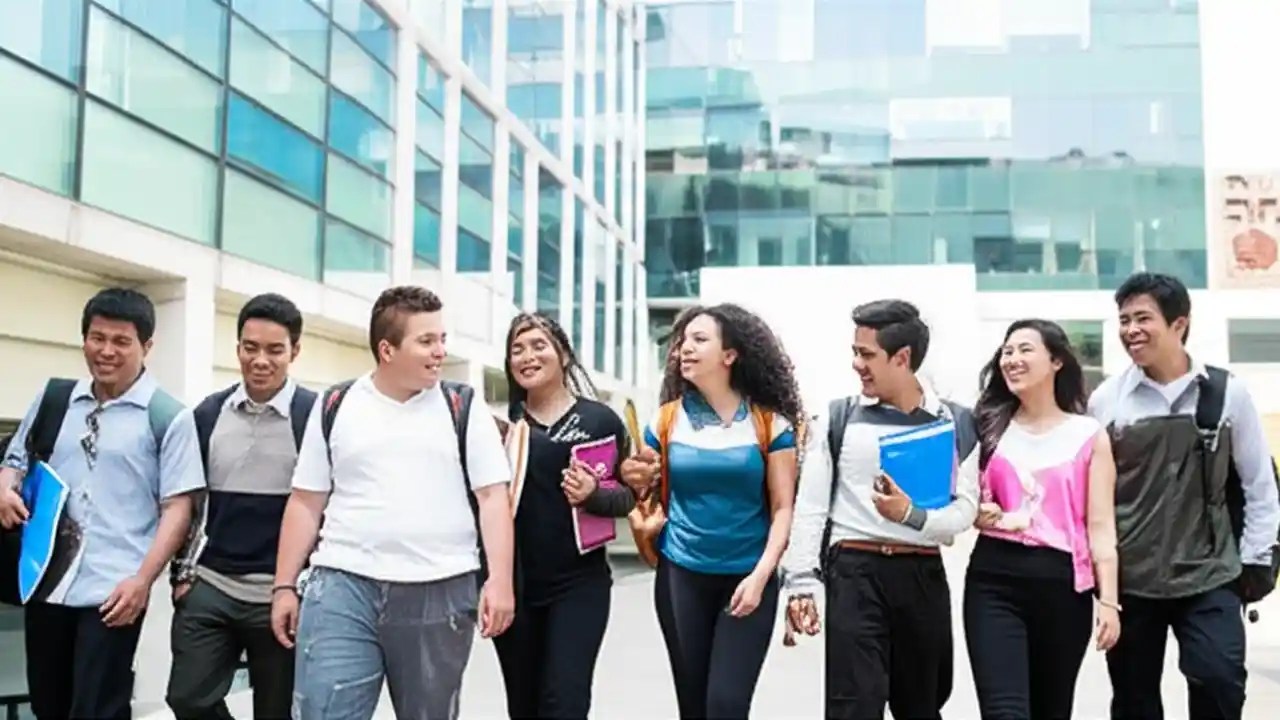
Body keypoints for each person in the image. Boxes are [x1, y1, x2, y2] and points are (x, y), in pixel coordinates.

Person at [272, 285, 516, 720]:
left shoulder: (462, 405)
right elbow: (306, 501)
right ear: (387, 349)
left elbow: (492, 497)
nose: (440, 351)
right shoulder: (336, 403)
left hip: (440, 588)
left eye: (441, 338)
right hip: (342, 587)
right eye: (427, 341)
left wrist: (499, 580)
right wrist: (284, 585)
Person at [0, 287, 204, 720]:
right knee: (48, 705)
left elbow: (178, 508)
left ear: (146, 346)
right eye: (97, 338)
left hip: (114, 592)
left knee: (98, 710)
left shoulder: (168, 416)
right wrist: (5, 487)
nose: (105, 351)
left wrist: (143, 582)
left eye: (120, 341)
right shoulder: (55, 398)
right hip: (47, 583)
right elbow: (15, 458)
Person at [1089, 272, 1280, 720]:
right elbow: (1092, 495)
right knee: (1134, 700)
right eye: (1124, 320)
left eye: (1143, 318)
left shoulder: (1226, 393)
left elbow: (1259, 484)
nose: (1131, 330)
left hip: (1210, 574)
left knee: (1219, 680)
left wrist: (1255, 562)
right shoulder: (1106, 401)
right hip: (1133, 579)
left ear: (1179, 324)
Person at [778, 299, 979, 720]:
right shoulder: (839, 418)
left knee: (921, 707)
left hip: (922, 575)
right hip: (854, 573)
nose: (856, 364)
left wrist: (910, 515)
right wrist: (799, 582)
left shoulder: (954, 422)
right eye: (855, 352)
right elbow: (811, 506)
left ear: (902, 358)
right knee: (853, 707)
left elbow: (963, 512)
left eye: (866, 354)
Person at [620, 303, 801, 720]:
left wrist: (760, 577)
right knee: (694, 706)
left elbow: (783, 509)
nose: (685, 348)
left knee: (727, 705)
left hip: (748, 580)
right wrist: (633, 475)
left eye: (699, 339)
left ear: (730, 355)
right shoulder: (665, 421)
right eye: (683, 341)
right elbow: (643, 484)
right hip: (681, 576)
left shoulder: (769, 426)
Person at [166, 294, 317, 720]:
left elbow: (329, 509)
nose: (261, 360)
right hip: (211, 586)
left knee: (277, 713)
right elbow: (188, 501)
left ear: (294, 352)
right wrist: (182, 574)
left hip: (282, 594)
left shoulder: (314, 416)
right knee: (188, 699)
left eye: (274, 350)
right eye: (250, 348)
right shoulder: (209, 414)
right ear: (237, 349)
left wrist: (304, 586)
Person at [965, 319, 1121, 719]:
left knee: (1052, 710)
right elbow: (961, 497)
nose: (1012, 359)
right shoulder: (987, 426)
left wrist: (1109, 601)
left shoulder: (1088, 435)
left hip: (1063, 587)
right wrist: (976, 513)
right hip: (994, 579)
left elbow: (1101, 526)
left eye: (1024, 350)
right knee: (1005, 712)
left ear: (1056, 361)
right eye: (1007, 351)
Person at [492, 312, 636, 719]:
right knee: (524, 706)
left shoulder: (599, 420)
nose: (527, 356)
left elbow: (627, 497)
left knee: (565, 702)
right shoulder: (501, 429)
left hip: (579, 585)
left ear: (564, 356)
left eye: (539, 346)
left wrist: (594, 495)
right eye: (517, 349)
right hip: (516, 588)